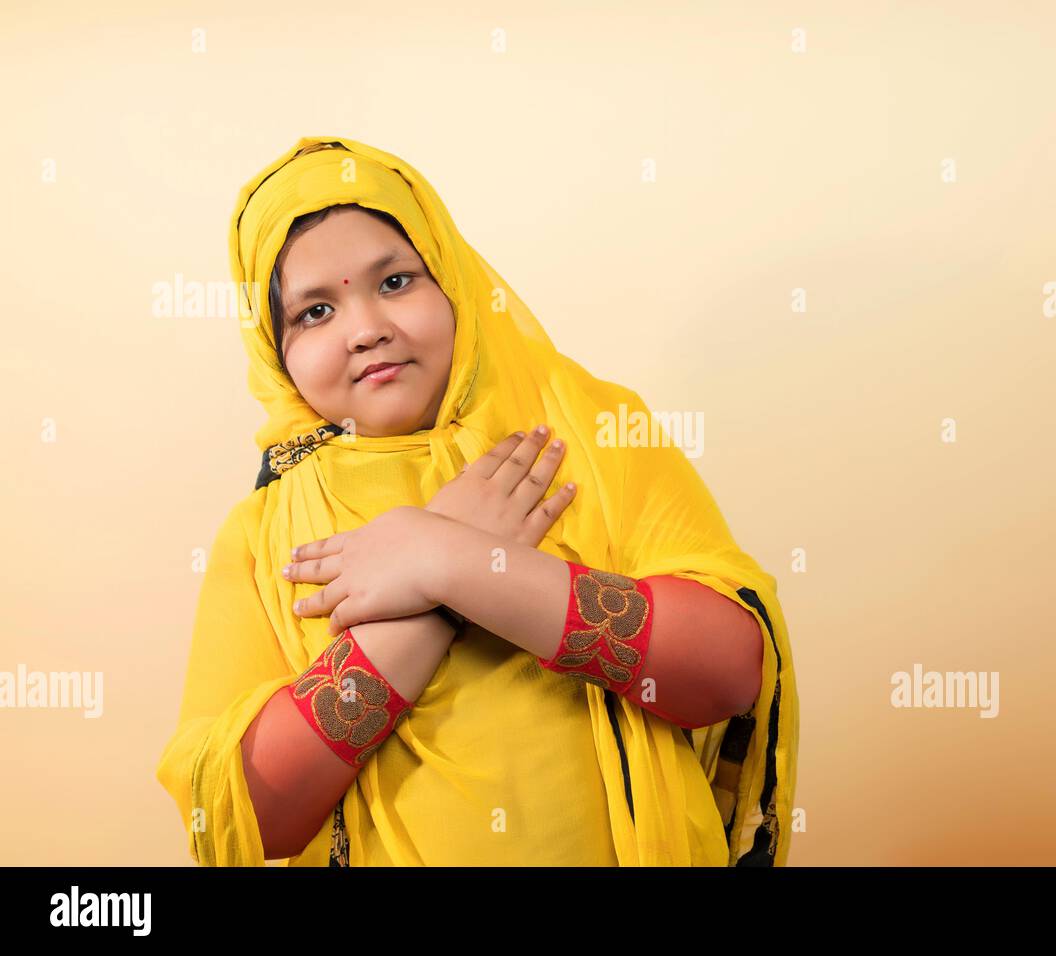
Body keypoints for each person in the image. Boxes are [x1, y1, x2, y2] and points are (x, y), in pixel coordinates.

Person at [155, 136, 799, 866]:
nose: (366, 328)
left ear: (453, 279)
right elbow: (247, 813)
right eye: (313, 313)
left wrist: (451, 560)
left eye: (396, 282)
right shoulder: (267, 534)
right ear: (273, 352)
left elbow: (729, 671)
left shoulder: (586, 435)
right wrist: (436, 583)